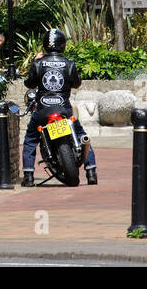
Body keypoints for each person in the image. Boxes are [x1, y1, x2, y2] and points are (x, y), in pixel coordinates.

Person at [21, 29, 96, 186]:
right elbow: (76, 84)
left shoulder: (38, 63)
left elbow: (29, 83)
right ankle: (91, 172)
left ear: (45, 45)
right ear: (63, 45)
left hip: (43, 109)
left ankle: (28, 175)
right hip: (63, 108)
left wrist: (35, 62)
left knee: (30, 139)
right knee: (81, 135)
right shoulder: (69, 64)